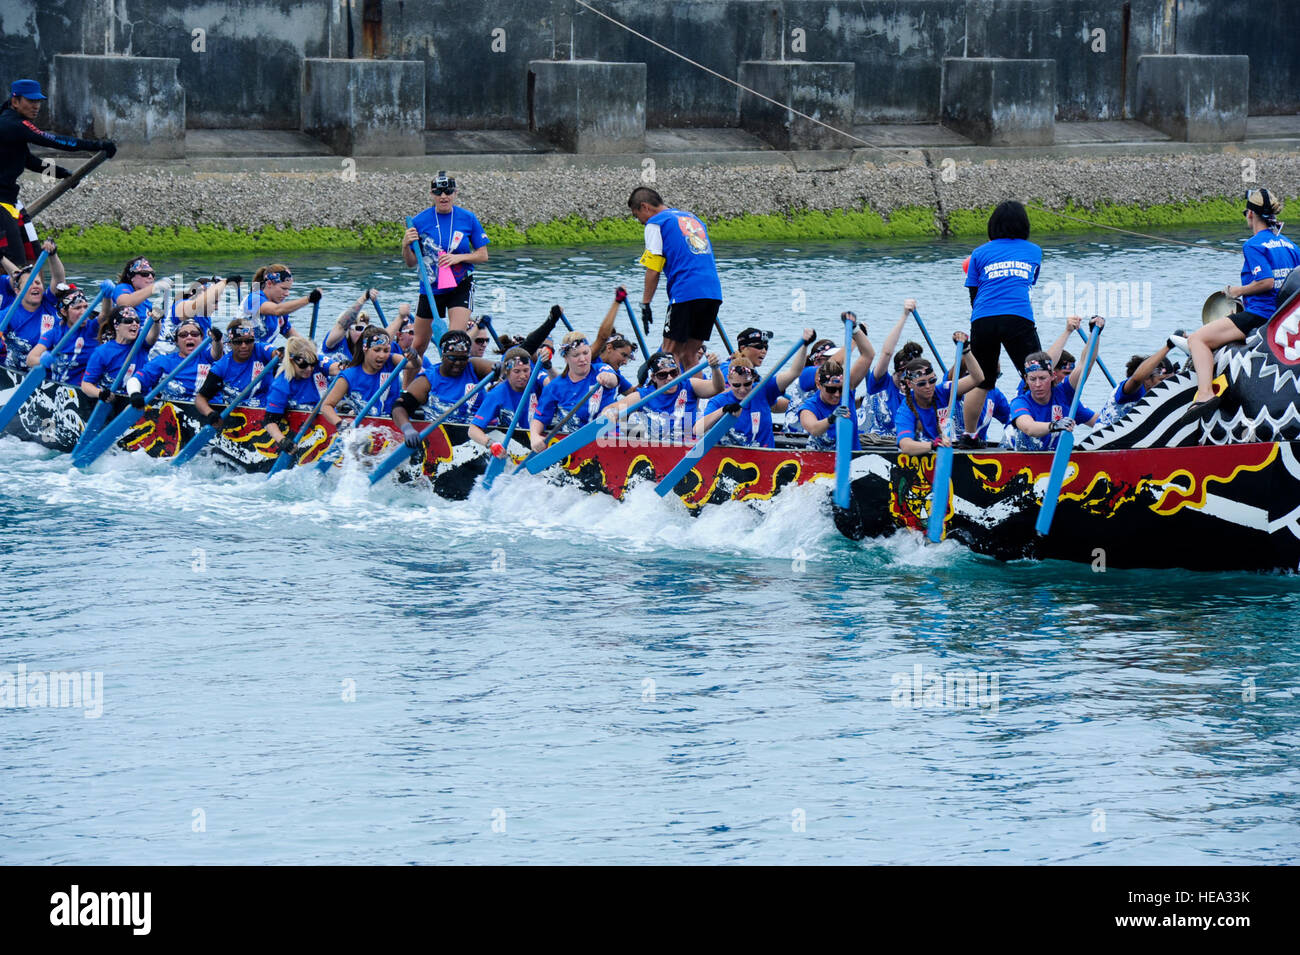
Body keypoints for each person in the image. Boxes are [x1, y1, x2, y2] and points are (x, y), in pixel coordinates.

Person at [1185, 188, 1300, 417]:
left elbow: (1266, 282)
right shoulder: (1290, 245)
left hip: (1260, 314)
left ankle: (1205, 394)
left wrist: (1235, 291)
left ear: (1250, 214)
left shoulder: (1253, 245)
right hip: (1283, 317)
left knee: (1197, 339)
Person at [0, 79, 114, 267]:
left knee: (35, 261)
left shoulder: (14, 127)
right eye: (30, 101)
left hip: (13, 203)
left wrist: (61, 173)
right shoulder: (13, 124)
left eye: (38, 101)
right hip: (1, 206)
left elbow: (29, 161)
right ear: (15, 102)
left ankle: (36, 295)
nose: (36, 106)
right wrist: (98, 145)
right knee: (15, 264)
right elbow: (54, 141)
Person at [960, 200, 1044, 442]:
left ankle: (969, 435)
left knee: (982, 380)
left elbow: (973, 294)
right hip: (1018, 316)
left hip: (983, 319)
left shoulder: (979, 253)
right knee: (1034, 374)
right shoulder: (1034, 251)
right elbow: (1029, 283)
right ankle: (1037, 430)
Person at [628, 186, 722, 368]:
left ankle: (669, 396)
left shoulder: (656, 222)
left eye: (635, 214)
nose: (638, 220)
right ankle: (694, 396)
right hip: (713, 292)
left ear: (645, 207)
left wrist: (645, 304)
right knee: (690, 354)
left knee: (669, 354)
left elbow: (653, 268)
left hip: (685, 292)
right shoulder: (693, 219)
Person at [402, 170, 489, 354]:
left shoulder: (468, 218)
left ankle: (451, 379)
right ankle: (406, 384)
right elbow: (411, 263)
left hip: (460, 283)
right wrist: (405, 245)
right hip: (431, 285)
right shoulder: (418, 221)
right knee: (417, 346)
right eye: (438, 192)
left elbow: (483, 255)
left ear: (455, 193)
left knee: (455, 341)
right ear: (432, 194)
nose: (443, 196)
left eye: (448, 192)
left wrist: (458, 258)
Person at [695, 330, 814, 448]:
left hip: (764, 459)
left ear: (753, 379)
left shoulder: (763, 388)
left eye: (747, 384)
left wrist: (804, 345)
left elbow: (794, 372)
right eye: (736, 385)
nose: (742, 390)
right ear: (729, 381)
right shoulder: (720, 400)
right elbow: (697, 430)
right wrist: (723, 410)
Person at [1007, 318, 1104, 451]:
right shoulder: (1020, 402)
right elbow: (1029, 428)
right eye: (1033, 379)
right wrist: (1054, 426)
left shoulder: (1064, 393)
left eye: (1042, 378)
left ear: (1053, 377)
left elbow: (1085, 364)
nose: (1037, 384)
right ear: (1026, 379)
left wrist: (1095, 334)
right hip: (1021, 460)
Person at [601, 350, 724, 443]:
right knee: (628, 426)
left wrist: (715, 368)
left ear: (678, 373)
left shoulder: (690, 385)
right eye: (662, 375)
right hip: (657, 442)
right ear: (654, 377)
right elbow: (613, 407)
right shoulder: (644, 395)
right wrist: (610, 414)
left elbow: (717, 388)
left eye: (673, 373)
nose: (669, 378)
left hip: (688, 442)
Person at [528, 331, 620, 452]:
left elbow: (614, 380)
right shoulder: (555, 387)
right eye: (576, 355)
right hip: (574, 444)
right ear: (566, 358)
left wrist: (607, 378)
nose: (583, 359)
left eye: (586, 353)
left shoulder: (602, 369)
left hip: (610, 440)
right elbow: (539, 418)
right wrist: (534, 437)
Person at [392, 329, 485, 447]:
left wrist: (503, 368)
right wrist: (407, 428)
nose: (458, 363)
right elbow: (399, 407)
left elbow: (506, 370)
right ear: (443, 356)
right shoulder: (427, 380)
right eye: (452, 358)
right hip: (439, 439)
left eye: (463, 359)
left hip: (476, 435)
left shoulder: (474, 366)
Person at [894, 333, 984, 455]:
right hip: (924, 454)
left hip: (946, 449)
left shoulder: (943, 391)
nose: (928, 387)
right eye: (921, 384)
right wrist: (933, 445)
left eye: (932, 381)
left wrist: (966, 350)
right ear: (910, 384)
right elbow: (905, 446)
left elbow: (977, 378)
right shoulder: (906, 410)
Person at [796, 325, 874, 450]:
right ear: (818, 385)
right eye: (831, 390)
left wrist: (856, 330)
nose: (837, 394)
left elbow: (868, 355)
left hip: (852, 461)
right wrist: (832, 418)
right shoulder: (810, 407)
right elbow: (814, 428)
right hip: (819, 462)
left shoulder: (848, 390)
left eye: (840, 389)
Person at [263, 335, 339, 454]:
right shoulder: (281, 385)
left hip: (330, 417)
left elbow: (336, 369)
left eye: (312, 364)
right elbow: (269, 421)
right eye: (303, 365)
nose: (309, 369)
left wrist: (343, 366)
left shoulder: (318, 361)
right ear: (291, 361)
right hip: (307, 429)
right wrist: (282, 441)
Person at [864, 300, 924, 441]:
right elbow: (886, 353)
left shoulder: (920, 392)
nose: (908, 378)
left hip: (903, 444)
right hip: (871, 443)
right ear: (897, 370)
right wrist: (904, 316)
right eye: (905, 373)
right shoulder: (880, 382)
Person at [193, 319, 277, 420]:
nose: (244, 346)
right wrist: (210, 413)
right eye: (238, 342)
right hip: (236, 416)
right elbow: (200, 399)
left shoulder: (261, 350)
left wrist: (281, 353)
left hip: (267, 412)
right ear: (230, 343)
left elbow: (276, 353)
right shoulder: (221, 367)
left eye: (248, 341)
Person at [468, 347, 543, 457]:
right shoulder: (496, 395)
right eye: (516, 371)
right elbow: (472, 430)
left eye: (526, 370)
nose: (522, 376)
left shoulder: (536, 382)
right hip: (515, 445)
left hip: (537, 440)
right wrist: (490, 444)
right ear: (507, 372)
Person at [1, 241, 64, 366]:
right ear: (18, 291)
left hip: (51, 367)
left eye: (38, 283)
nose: (35, 286)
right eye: (29, 284)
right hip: (18, 370)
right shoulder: (7, 314)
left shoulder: (49, 302)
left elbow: (58, 278)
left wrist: (53, 255)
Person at [26, 282, 100, 385]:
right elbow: (30, 359)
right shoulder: (54, 334)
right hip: (62, 387)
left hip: (88, 387)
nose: (84, 312)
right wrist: (43, 360)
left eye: (85, 307)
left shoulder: (92, 327)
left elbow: (105, 314)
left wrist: (107, 297)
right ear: (64, 312)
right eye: (78, 308)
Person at [124, 318, 211, 406]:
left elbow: (218, 351)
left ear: (202, 338)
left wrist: (217, 340)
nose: (189, 337)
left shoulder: (211, 358)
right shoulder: (163, 361)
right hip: (171, 412)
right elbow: (135, 380)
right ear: (176, 341)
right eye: (183, 335)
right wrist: (135, 394)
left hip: (210, 411)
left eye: (194, 334)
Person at [1095, 341, 1180, 429]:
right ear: (1147, 378)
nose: (1168, 384)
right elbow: (1136, 379)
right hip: (1104, 439)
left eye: (1170, 380)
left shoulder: (1155, 396)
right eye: (1162, 380)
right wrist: (1168, 347)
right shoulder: (1135, 390)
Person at [81, 306, 149, 406]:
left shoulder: (142, 343)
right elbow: (86, 385)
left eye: (137, 321)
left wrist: (156, 321)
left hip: (140, 401)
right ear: (116, 325)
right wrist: (101, 394)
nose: (134, 324)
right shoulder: (102, 352)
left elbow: (153, 336)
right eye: (129, 320)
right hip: (113, 402)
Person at [241, 264, 318, 345]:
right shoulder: (254, 299)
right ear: (269, 283)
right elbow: (276, 310)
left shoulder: (281, 313)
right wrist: (308, 299)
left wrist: (309, 347)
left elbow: (293, 336)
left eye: (288, 289)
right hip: (238, 354)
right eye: (284, 289)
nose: (287, 294)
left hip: (259, 353)